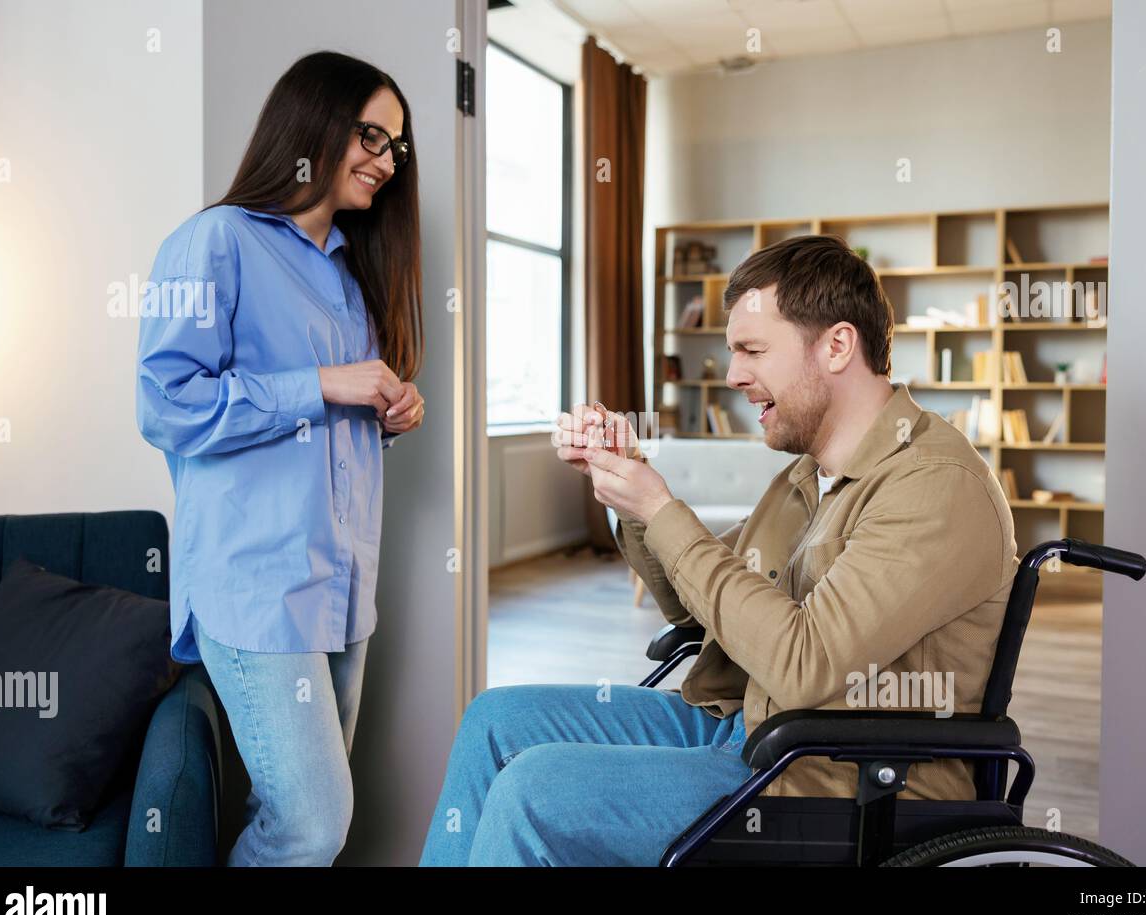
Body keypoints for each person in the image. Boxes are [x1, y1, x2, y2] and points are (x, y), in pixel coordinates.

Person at [419, 234, 1018, 866]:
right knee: (494, 722)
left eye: (752, 350)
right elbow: (694, 603)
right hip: (747, 726)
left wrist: (662, 511)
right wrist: (631, 493)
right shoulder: (809, 475)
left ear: (838, 345)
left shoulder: (933, 486)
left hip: (837, 776)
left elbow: (803, 665)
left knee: (534, 792)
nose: (732, 375)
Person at [135, 51, 425, 866]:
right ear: (312, 123)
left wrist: (389, 410)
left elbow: (331, 423)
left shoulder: (350, 272)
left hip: (342, 591)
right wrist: (321, 383)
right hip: (255, 589)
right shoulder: (212, 242)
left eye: (396, 147)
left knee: (299, 819)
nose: (386, 161)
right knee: (311, 825)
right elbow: (165, 406)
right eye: (371, 135)